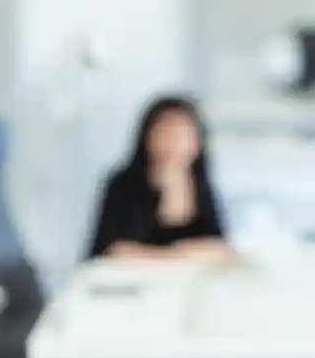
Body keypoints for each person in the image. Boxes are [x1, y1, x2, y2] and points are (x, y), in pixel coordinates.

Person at [87, 95, 236, 263]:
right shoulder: (123, 184)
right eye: (166, 132)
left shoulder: (202, 186)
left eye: (182, 134)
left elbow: (221, 249)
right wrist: (182, 254)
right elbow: (112, 250)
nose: (174, 142)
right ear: (147, 137)